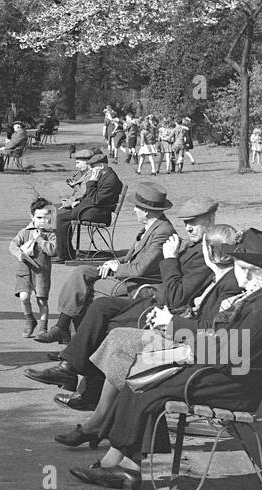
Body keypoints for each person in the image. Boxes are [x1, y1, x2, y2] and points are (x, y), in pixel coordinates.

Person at [70, 229, 262, 490]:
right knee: (139, 374)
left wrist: (185, 351)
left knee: (145, 386)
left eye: (237, 267)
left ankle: (125, 469)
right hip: (225, 372)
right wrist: (185, 348)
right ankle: (119, 465)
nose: (236, 273)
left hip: (234, 384)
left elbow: (232, 352)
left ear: (249, 270)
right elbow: (227, 343)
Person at [52, 220, 238, 444]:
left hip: (194, 354)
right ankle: (100, 421)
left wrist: (172, 321)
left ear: (212, 254)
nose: (188, 228)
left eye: (193, 223)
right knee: (118, 339)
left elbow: (218, 337)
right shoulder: (222, 276)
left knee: (130, 360)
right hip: (187, 339)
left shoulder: (230, 283)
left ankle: (104, 429)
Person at [28, 194, 222, 393]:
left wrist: (170, 258)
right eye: (186, 223)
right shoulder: (193, 245)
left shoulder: (207, 253)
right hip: (152, 296)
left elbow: (176, 295)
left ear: (211, 220)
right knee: (99, 304)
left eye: (193, 222)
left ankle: (82, 382)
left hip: (157, 301)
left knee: (103, 315)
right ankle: (70, 366)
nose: (188, 228)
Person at [34, 182, 175, 343]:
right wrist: (114, 261)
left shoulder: (163, 232)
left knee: (86, 289)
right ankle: (63, 329)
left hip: (139, 283)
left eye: (137, 207)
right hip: (128, 273)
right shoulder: (151, 226)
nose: (135, 210)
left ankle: (71, 338)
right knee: (82, 272)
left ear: (147, 211)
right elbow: (132, 257)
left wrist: (117, 267)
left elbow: (140, 269)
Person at [53, 147, 123, 263]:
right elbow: (92, 197)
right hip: (93, 209)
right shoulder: (105, 175)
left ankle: (64, 255)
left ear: (101, 165)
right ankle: (64, 251)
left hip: (98, 213)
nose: (91, 169)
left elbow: (95, 199)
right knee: (59, 215)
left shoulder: (109, 179)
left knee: (60, 218)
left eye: (93, 166)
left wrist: (92, 182)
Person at [9, 197, 57, 337]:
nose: (42, 221)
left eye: (46, 218)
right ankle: (30, 320)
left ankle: (43, 326)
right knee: (24, 297)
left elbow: (52, 251)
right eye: (39, 217)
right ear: (32, 217)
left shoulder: (51, 234)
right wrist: (18, 254)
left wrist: (40, 240)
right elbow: (13, 245)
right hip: (24, 270)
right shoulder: (25, 232)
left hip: (41, 272)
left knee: (41, 300)